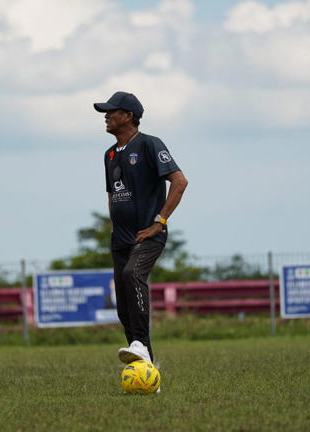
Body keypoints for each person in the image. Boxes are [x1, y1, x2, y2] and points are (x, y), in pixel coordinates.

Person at [94, 91, 188, 367]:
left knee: (132, 273)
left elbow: (180, 182)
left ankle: (141, 347)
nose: (106, 116)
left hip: (148, 234)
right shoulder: (109, 154)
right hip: (120, 239)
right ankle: (145, 367)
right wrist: (113, 226)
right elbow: (112, 193)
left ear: (129, 116)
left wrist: (160, 222)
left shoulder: (149, 144)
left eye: (112, 111)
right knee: (123, 304)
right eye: (105, 112)